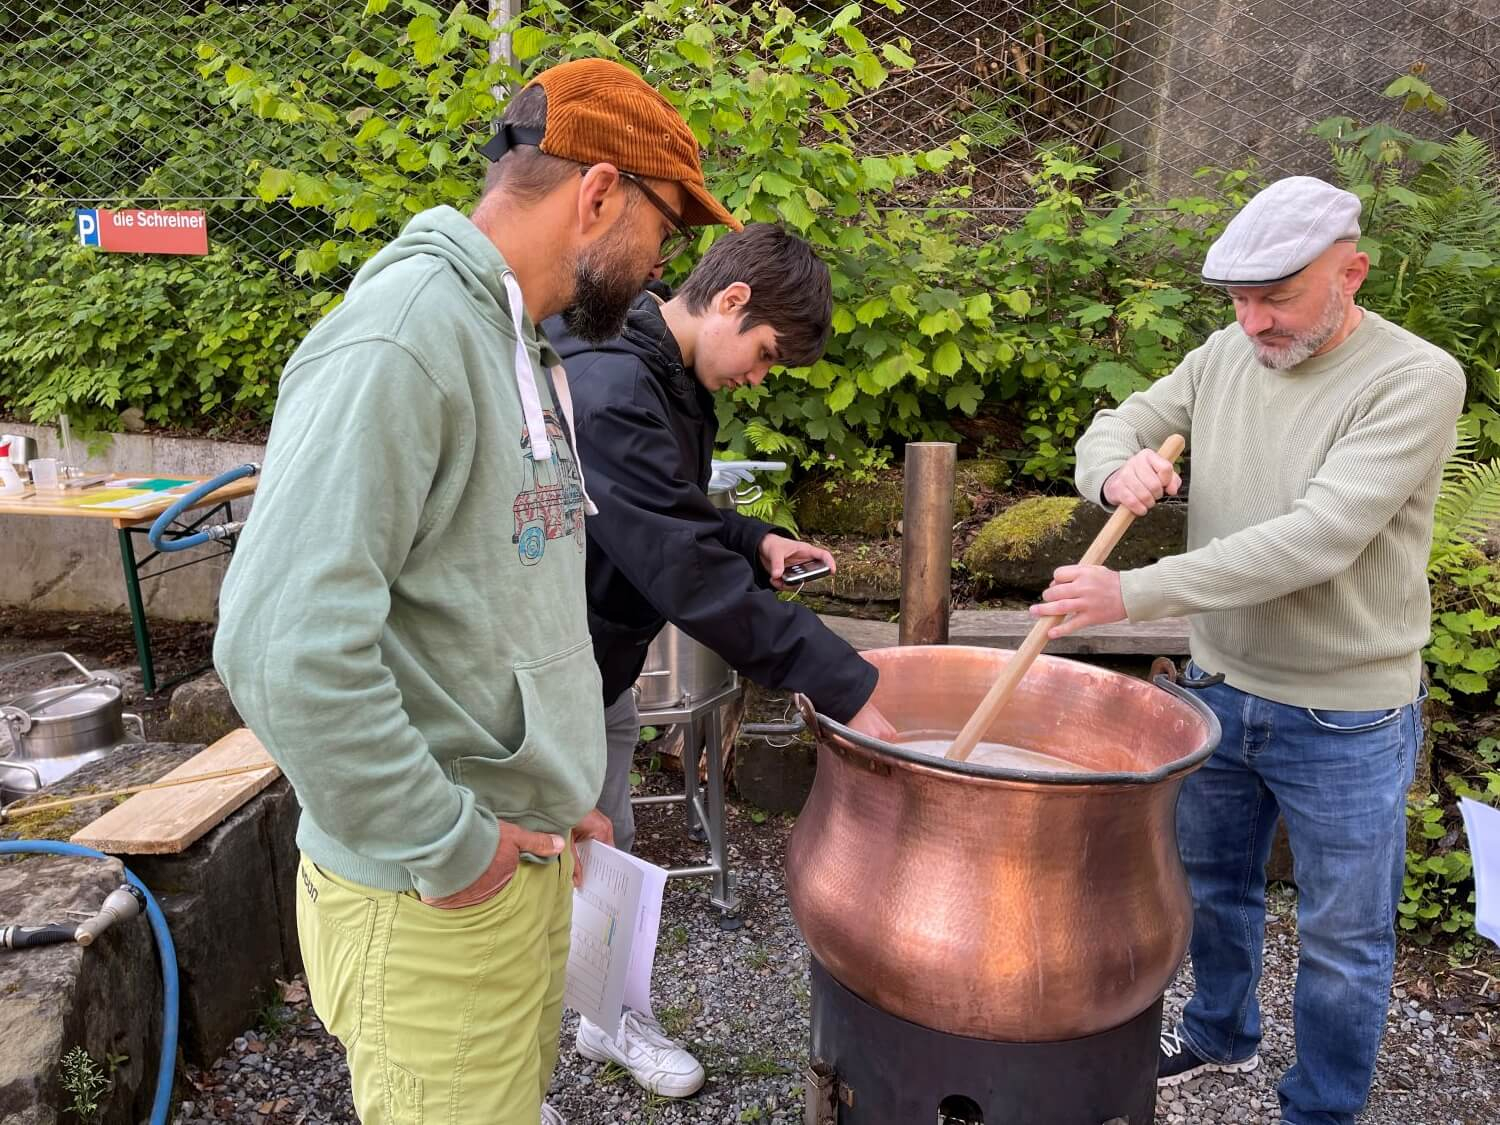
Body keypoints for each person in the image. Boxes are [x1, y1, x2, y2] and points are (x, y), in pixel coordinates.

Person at [213, 58, 740, 1125]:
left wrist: (555, 786)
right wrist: (453, 848)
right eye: (663, 231)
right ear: (598, 194)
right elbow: (280, 646)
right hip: (434, 896)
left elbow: (499, 596)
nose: (659, 268)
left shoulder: (520, 345)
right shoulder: (406, 338)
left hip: (512, 864)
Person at [1032, 176, 1465, 1125]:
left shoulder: (1415, 378)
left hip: (1348, 710)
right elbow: (1117, 424)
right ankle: (1221, 1032)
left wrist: (1133, 592)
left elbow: (1318, 539)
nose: (1255, 321)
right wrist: (1117, 473)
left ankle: (1320, 1106)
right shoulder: (1228, 352)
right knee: (1209, 887)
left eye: (1278, 296)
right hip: (1219, 687)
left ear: (1351, 272)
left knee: (1344, 934)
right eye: (1238, 298)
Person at [543, 222, 894, 1098]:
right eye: (768, 355)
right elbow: (685, 572)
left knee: (607, 847)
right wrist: (844, 682)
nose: (760, 377)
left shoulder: (660, 369)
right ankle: (499, 1091)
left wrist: (753, 538)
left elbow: (668, 506)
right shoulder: (612, 379)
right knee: (525, 875)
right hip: (538, 676)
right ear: (731, 300)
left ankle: (604, 1019)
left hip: (599, 661)